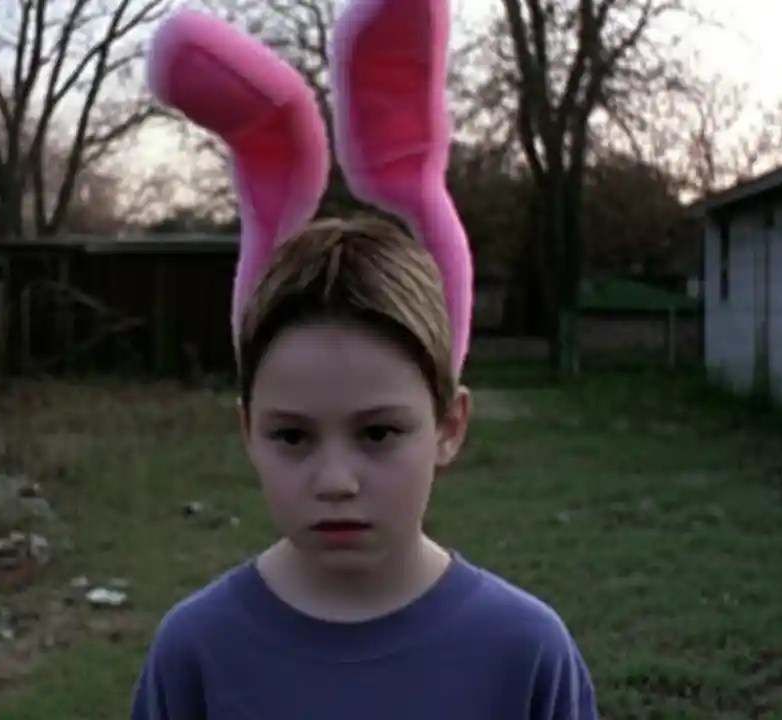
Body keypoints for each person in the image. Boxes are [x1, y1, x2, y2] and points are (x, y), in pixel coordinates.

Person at [133, 1, 598, 717]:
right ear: (246, 431)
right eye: (291, 436)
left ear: (449, 424)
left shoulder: (527, 655)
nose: (336, 481)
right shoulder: (193, 654)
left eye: (379, 432)